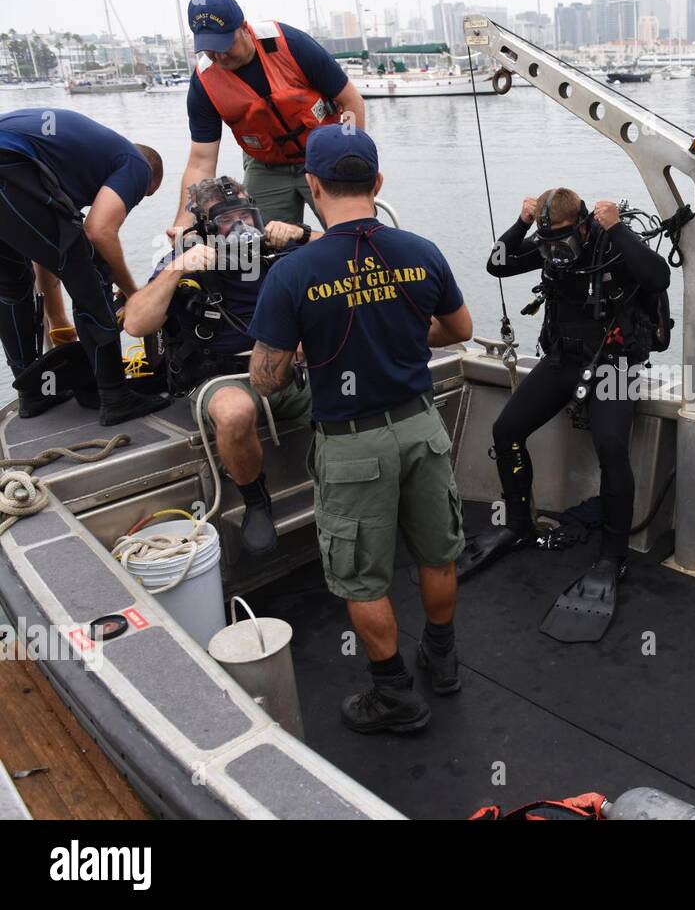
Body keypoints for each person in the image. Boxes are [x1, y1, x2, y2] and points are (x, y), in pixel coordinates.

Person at [248, 125, 473, 734]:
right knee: (438, 550)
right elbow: (460, 330)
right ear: (376, 183)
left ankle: (395, 696)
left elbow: (265, 380)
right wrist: (402, 337)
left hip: (352, 445)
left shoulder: (294, 272)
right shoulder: (422, 251)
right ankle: (443, 660)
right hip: (422, 429)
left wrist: (302, 352)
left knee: (360, 574)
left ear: (312, 186)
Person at [455, 187, 671, 643]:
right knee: (507, 428)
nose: (556, 254)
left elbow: (658, 278)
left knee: (612, 447)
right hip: (563, 361)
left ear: (584, 226)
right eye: (548, 244)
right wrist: (521, 222)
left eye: (563, 243)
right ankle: (518, 524)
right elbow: (497, 263)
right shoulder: (549, 245)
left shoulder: (608, 240)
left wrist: (618, 228)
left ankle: (612, 556)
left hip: (613, 364)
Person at [122, 177, 317, 555]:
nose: (240, 226)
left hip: (289, 366)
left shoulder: (277, 245)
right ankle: (256, 499)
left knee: (351, 383)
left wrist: (303, 232)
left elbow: (347, 247)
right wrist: (177, 268)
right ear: (205, 226)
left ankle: (338, 484)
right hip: (223, 374)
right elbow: (136, 324)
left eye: (246, 215)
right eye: (228, 220)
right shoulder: (188, 256)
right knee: (233, 413)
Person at [0, 107, 170, 424]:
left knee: (11, 287)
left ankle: (32, 393)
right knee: (94, 274)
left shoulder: (76, 165)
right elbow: (100, 231)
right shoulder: (136, 165)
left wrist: (57, 312)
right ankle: (114, 396)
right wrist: (135, 293)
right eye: (142, 196)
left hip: (14, 166)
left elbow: (47, 245)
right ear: (152, 180)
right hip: (10, 163)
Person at [170, 0, 365, 232]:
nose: (219, 55)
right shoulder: (204, 82)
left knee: (353, 230)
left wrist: (351, 160)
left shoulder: (291, 44)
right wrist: (184, 221)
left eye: (225, 44)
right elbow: (201, 162)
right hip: (266, 164)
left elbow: (351, 101)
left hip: (325, 154)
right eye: (210, 48)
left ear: (243, 27)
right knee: (258, 238)